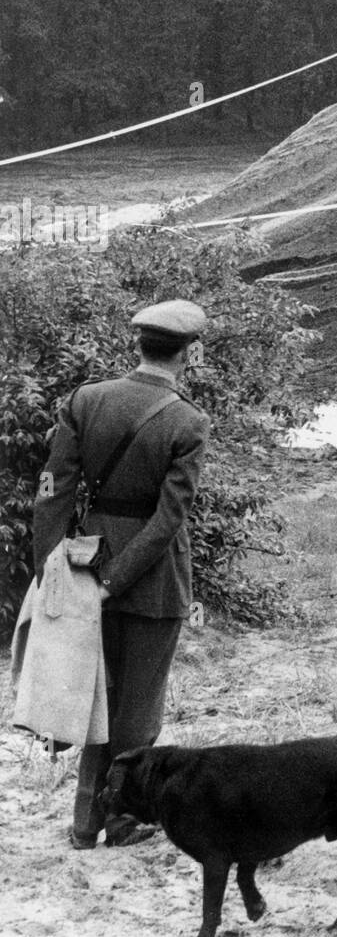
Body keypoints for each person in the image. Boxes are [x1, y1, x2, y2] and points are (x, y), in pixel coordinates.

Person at [32, 300, 210, 850]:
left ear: (138, 344)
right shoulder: (188, 420)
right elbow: (167, 520)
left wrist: (53, 569)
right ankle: (123, 820)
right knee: (139, 707)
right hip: (152, 581)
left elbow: (52, 488)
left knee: (95, 697)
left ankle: (86, 823)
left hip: (86, 562)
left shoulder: (87, 399)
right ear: (190, 353)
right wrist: (118, 581)